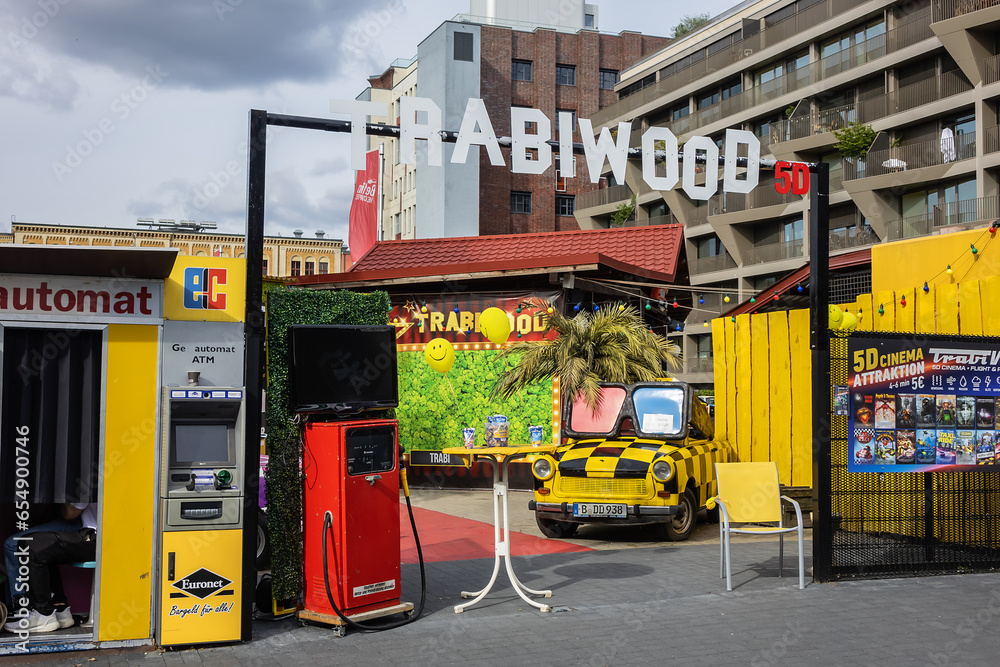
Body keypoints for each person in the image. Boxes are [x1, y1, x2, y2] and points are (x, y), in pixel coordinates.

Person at [2, 503, 97, 634]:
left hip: (93, 535)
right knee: (45, 547)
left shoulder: (87, 488)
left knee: (26, 544)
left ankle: (34, 611)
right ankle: (60, 609)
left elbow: (70, 514)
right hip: (100, 535)